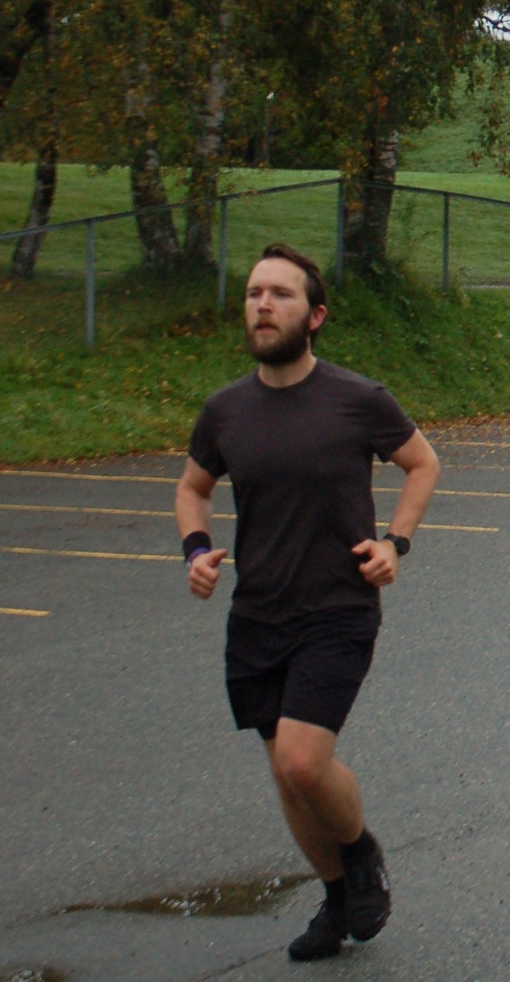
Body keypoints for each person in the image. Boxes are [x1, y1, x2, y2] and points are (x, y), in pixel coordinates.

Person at [176, 243, 441, 963]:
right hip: (257, 612)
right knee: (288, 780)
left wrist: (396, 542)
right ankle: (335, 898)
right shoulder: (225, 410)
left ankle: (361, 857)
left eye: (281, 294)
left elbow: (422, 463)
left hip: (338, 608)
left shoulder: (358, 399)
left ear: (315, 315)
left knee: (300, 762)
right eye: (255, 292)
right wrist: (196, 552)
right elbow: (192, 488)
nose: (263, 304)